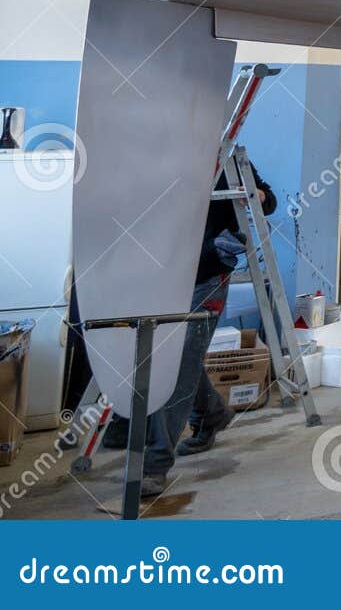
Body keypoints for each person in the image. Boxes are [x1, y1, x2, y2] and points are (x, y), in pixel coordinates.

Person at [101, 162, 274, 498]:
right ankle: (211, 414)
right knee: (171, 357)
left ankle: (155, 463)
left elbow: (269, 201)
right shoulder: (159, 153)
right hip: (159, 274)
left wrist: (256, 195)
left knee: (179, 366)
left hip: (205, 276)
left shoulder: (223, 156)